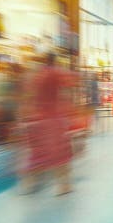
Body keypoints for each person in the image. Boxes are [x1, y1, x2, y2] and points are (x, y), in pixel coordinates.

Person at [24, 53, 76, 195]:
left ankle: (29, 184)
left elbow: (29, 95)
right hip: (54, 118)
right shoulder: (57, 73)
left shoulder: (37, 74)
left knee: (37, 153)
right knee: (60, 153)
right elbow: (68, 90)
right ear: (55, 61)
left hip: (37, 118)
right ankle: (63, 185)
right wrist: (70, 112)